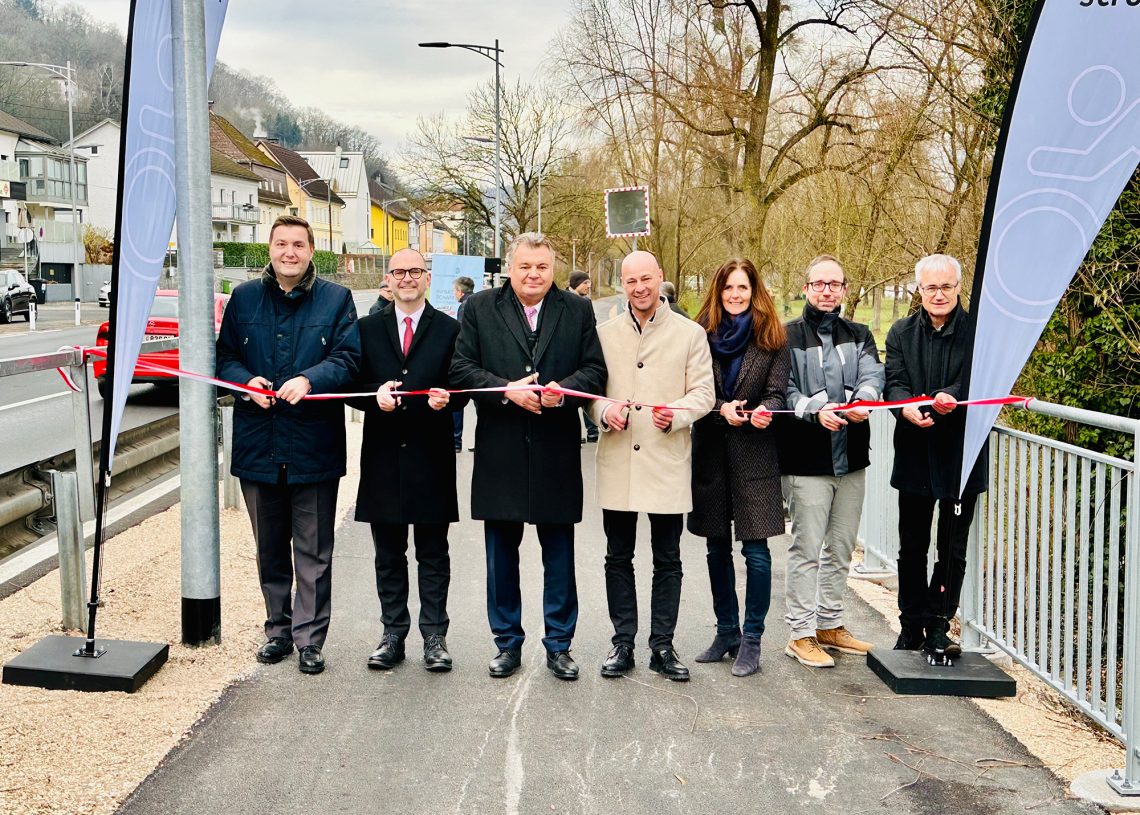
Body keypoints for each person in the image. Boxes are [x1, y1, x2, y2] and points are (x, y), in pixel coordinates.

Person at [450, 232, 607, 680]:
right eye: (525, 267)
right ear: (510, 268)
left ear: (553, 269)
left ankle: (559, 645)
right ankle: (507, 643)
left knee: (559, 557)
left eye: (542, 267)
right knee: (501, 558)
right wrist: (505, 390)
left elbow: (595, 370)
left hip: (556, 451)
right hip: (500, 452)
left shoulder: (577, 309)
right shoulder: (480, 308)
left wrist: (565, 392)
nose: (534, 275)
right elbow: (461, 370)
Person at [217, 215, 361, 675]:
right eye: (281, 244)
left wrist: (309, 379)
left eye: (298, 244)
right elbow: (224, 357)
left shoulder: (336, 299)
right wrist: (245, 382)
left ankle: (310, 639)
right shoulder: (244, 298)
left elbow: (349, 359)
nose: (289, 252)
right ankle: (277, 630)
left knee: (314, 551)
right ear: (270, 249)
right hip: (258, 443)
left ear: (311, 250)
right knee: (270, 547)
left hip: (313, 445)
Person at [590, 251, 714, 682]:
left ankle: (662, 644)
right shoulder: (603, 334)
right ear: (622, 284)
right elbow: (591, 391)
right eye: (631, 281)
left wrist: (676, 413)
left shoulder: (690, 334)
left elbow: (704, 393)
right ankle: (622, 642)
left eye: (646, 279)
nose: (639, 288)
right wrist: (603, 411)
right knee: (617, 555)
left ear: (660, 278)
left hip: (666, 458)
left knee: (668, 558)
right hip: (619, 457)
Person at [352, 248, 466, 673]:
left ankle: (434, 636)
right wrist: (373, 397)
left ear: (427, 278)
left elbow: (464, 385)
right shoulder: (366, 328)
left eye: (415, 271)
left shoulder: (450, 329)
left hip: (431, 456)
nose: (406, 278)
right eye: (398, 271)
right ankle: (393, 634)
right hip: (383, 456)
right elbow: (352, 382)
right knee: (388, 554)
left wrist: (449, 400)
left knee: (433, 554)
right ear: (388, 278)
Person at [777, 255, 884, 669]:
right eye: (819, 284)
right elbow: (783, 389)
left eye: (834, 284)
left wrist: (863, 401)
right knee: (806, 549)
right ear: (806, 288)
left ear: (844, 289)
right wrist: (816, 410)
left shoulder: (859, 334)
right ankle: (800, 633)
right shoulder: (785, 336)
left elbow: (873, 375)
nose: (826, 291)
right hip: (806, 462)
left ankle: (829, 624)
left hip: (851, 460)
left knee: (840, 548)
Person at [687, 258, 789, 677]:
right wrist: (719, 408)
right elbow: (690, 390)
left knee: (756, 553)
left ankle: (752, 640)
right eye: (728, 287)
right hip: (711, 452)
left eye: (742, 287)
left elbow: (778, 393)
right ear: (718, 290)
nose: (734, 294)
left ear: (753, 290)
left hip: (755, 455)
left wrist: (766, 410)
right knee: (716, 548)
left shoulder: (772, 336)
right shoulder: (699, 334)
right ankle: (726, 631)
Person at [885, 253, 988, 665]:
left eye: (946, 286)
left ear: (958, 287)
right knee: (912, 546)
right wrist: (904, 407)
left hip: (961, 453)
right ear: (920, 290)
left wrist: (952, 395)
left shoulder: (979, 332)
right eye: (931, 287)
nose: (939, 294)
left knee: (952, 548)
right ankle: (911, 624)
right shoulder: (901, 332)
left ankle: (939, 625)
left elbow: (982, 380)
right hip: (914, 451)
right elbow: (894, 382)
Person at [568, 271, 600, 443]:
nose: (589, 286)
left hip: (583, 354)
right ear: (575, 284)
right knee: (569, 394)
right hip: (569, 355)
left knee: (585, 391)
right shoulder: (562, 301)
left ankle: (592, 430)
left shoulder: (586, 302)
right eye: (585, 283)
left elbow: (592, 326)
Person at [452, 275, 475, 452]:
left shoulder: (465, 306)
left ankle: (456, 441)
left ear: (459, 291)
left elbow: (462, 334)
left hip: (470, 361)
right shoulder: (478, 302)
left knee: (458, 400)